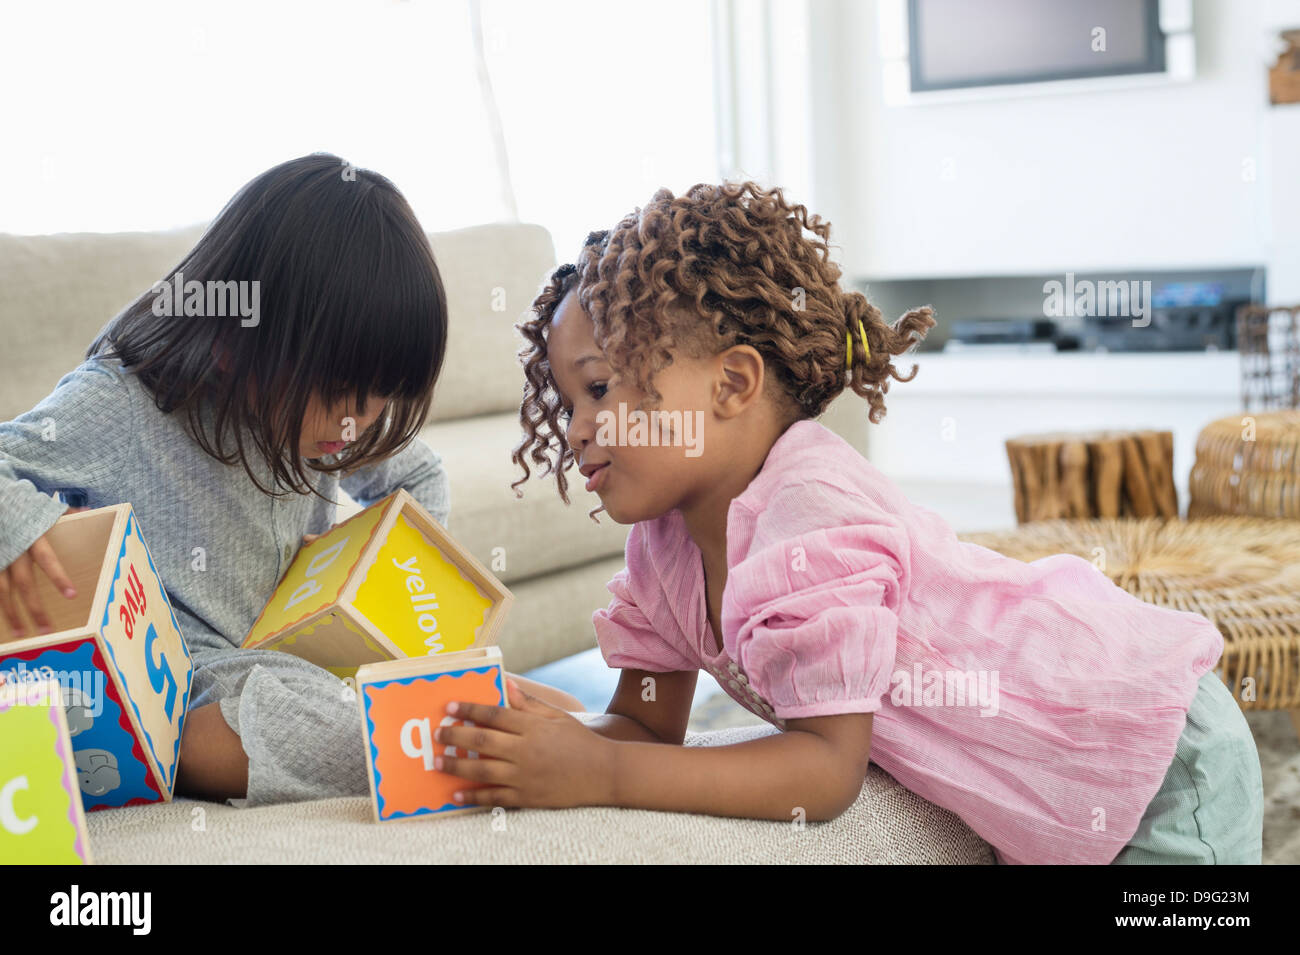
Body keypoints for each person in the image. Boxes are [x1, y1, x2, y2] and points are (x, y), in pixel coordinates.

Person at [433, 181, 1263, 864]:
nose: (576, 427)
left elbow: (825, 768)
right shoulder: (662, 547)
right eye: (566, 399)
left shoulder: (810, 507)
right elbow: (648, 720)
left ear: (732, 384)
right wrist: (551, 734)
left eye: (601, 389)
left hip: (1146, 747)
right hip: (1042, 789)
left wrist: (607, 772)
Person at [0, 153, 581, 808]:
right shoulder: (123, 407)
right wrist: (21, 530)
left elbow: (414, 475)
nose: (356, 421)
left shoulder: (332, 416)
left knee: (330, 701)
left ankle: (478, 723)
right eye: (339, 393)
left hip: (286, 656)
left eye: (380, 397)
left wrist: (373, 577)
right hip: (190, 681)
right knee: (216, 739)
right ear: (235, 340)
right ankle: (466, 735)